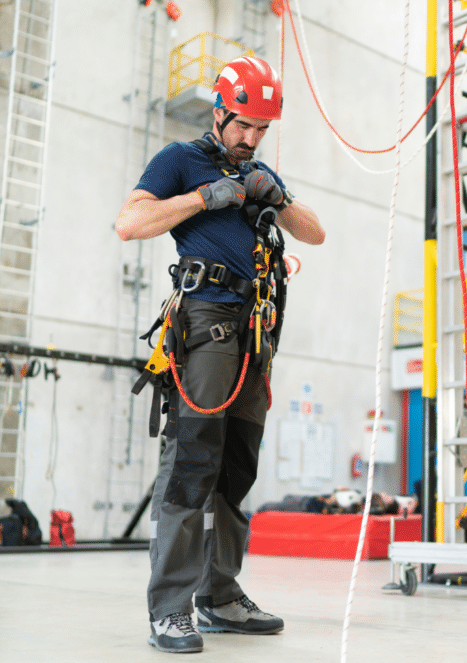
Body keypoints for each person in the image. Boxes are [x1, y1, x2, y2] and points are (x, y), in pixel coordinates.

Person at [116, 54, 324, 654]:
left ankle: (222, 596)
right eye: (243, 126)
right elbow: (129, 222)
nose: (251, 138)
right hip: (206, 328)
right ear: (219, 113)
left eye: (261, 129)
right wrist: (204, 198)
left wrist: (276, 197)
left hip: (255, 334)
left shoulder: (258, 173)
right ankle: (170, 611)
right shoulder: (180, 161)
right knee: (190, 467)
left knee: (236, 472)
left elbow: (316, 233)